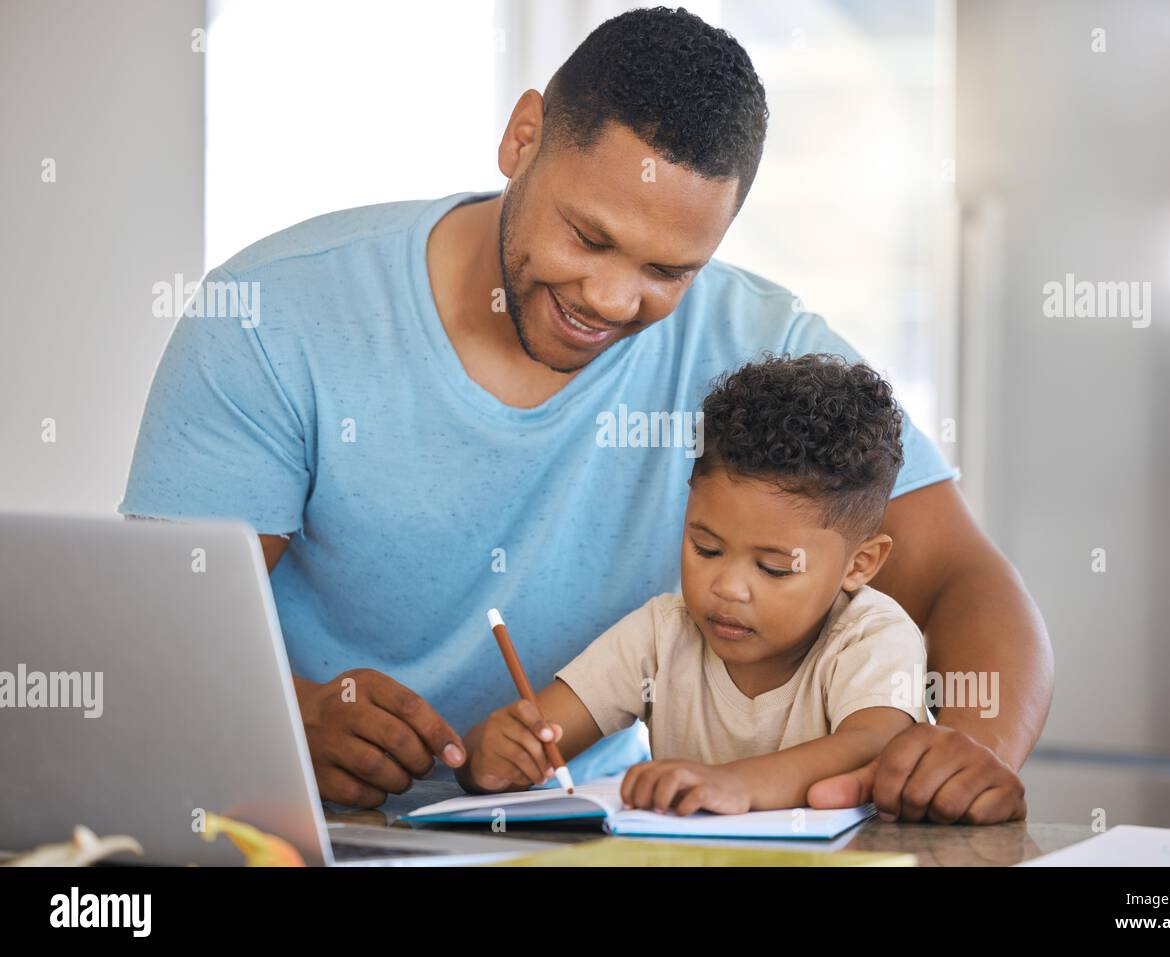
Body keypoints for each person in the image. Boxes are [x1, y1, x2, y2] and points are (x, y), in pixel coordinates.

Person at [120, 6, 1050, 823]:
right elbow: (156, 629)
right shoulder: (274, 315)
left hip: (606, 841)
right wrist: (278, 718)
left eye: (667, 271)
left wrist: (972, 752)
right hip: (308, 836)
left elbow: (967, 579)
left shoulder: (759, 339)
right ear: (522, 137)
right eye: (589, 236)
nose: (609, 298)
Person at [459, 354, 932, 815]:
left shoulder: (872, 636)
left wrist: (737, 782)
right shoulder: (662, 634)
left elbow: (874, 744)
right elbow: (545, 731)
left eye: (773, 568)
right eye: (706, 548)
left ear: (860, 564)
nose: (727, 588)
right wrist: (493, 755)